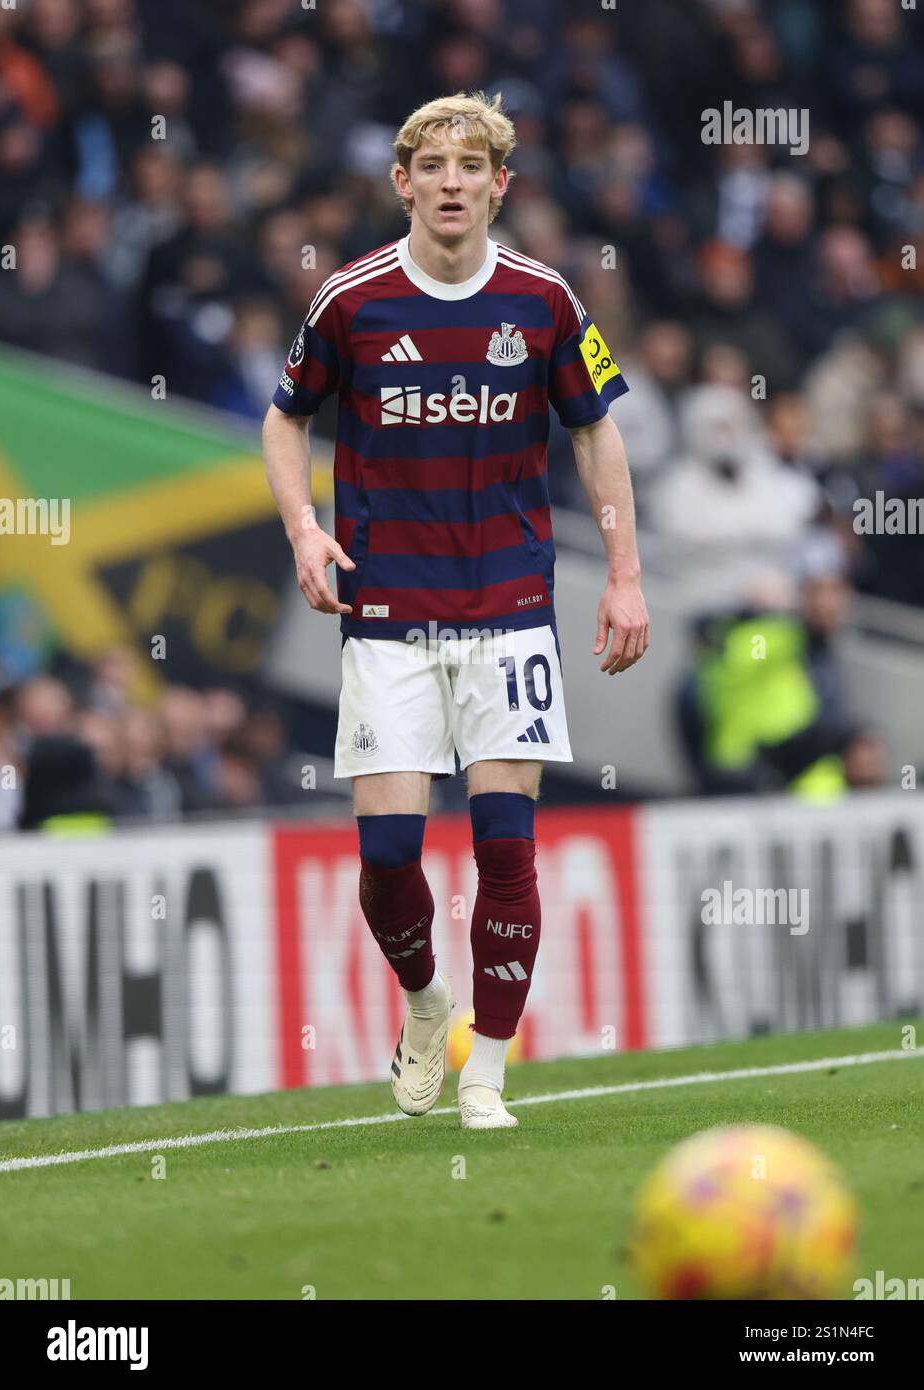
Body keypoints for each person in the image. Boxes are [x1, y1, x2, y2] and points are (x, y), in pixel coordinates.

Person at [262, 91, 648, 1130]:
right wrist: (304, 527)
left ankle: (487, 1072)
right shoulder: (352, 299)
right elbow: (284, 418)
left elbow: (595, 431)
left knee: (505, 848)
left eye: (470, 166)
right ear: (402, 181)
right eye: (431, 165)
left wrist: (623, 570)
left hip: (509, 608)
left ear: (499, 185)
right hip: (386, 612)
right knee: (388, 861)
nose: (450, 182)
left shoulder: (544, 299)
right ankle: (428, 1002)